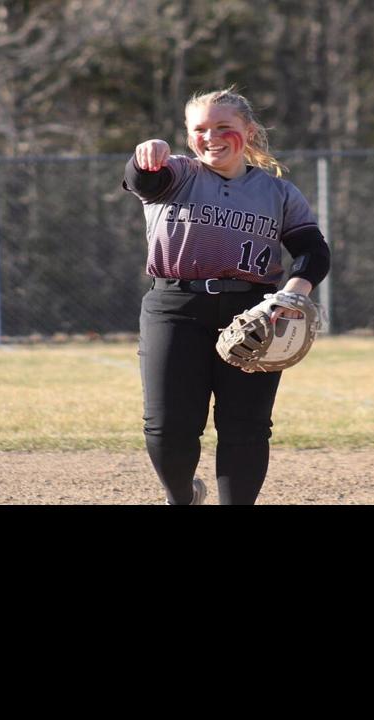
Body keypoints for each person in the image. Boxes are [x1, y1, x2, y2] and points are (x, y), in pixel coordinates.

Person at [123, 87, 330, 504]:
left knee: (246, 427)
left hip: (254, 311)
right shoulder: (177, 173)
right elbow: (143, 178)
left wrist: (293, 294)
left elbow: (313, 250)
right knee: (168, 427)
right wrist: (147, 153)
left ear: (248, 131)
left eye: (223, 127)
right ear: (187, 135)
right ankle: (183, 496)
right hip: (175, 308)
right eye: (199, 129)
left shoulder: (278, 193)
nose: (211, 137)